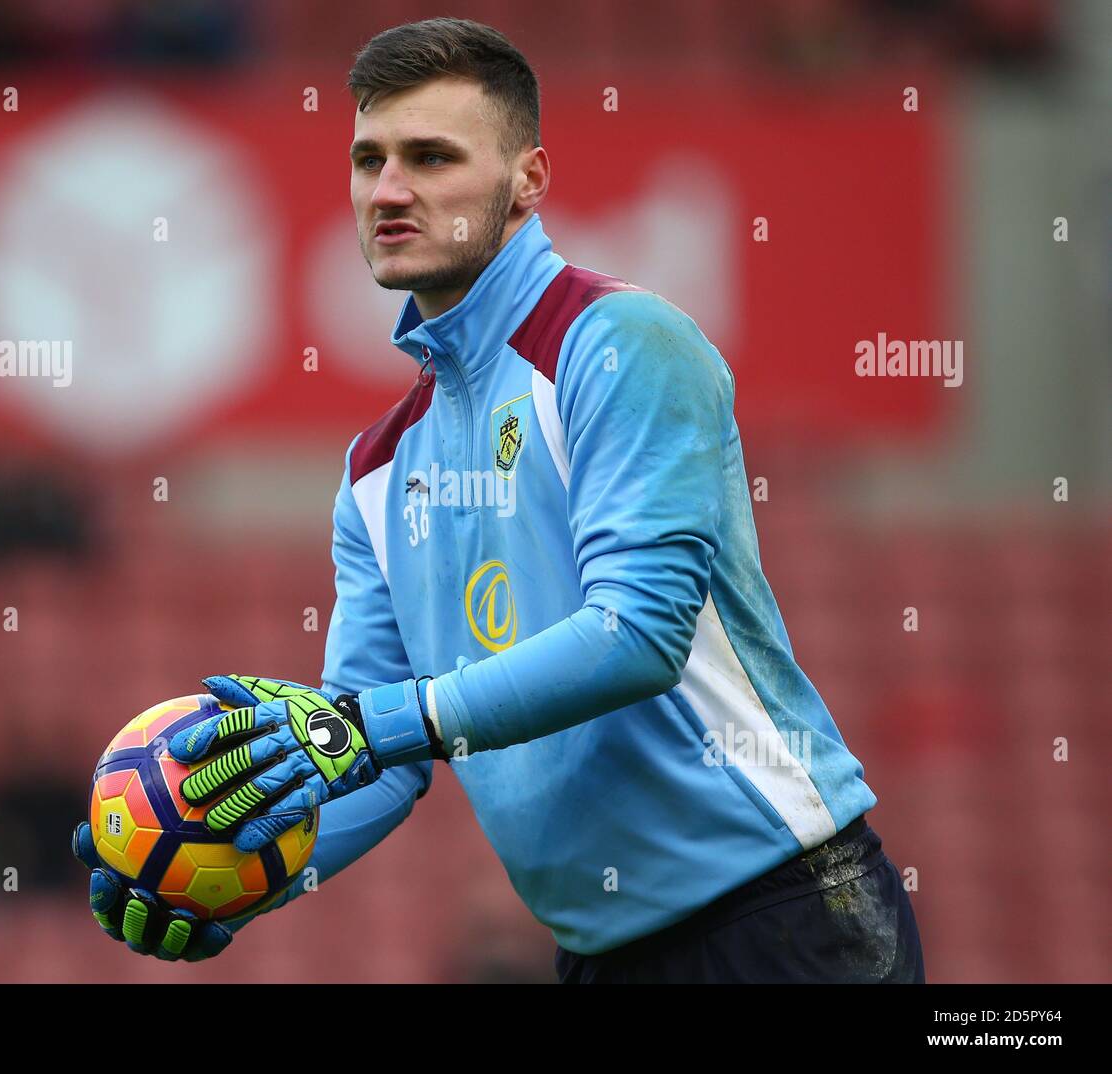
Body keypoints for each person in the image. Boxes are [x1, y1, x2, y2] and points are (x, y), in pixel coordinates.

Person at [74, 16, 924, 983]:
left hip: (780, 921)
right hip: (598, 954)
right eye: (369, 159)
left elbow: (636, 633)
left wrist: (370, 725)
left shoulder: (622, 342)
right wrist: (223, 872)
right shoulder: (375, 472)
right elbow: (380, 760)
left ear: (528, 179)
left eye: (431, 156)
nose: (388, 189)